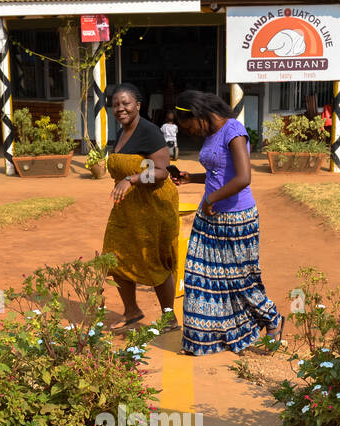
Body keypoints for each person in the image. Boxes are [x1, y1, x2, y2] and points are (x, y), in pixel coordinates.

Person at [169, 90, 283, 355]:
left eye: (189, 126)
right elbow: (217, 172)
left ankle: (273, 319)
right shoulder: (210, 134)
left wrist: (212, 200)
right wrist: (190, 179)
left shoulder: (234, 131)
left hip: (236, 219)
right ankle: (204, 339)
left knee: (240, 279)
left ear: (198, 114)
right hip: (209, 217)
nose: (191, 132)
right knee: (200, 278)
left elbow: (243, 177)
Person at [101, 84, 180, 327]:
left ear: (138, 105)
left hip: (152, 206)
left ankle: (169, 318)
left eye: (125, 103)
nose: (120, 108)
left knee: (153, 260)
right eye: (116, 104)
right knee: (115, 256)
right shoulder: (123, 130)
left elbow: (162, 172)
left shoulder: (149, 131)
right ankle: (132, 310)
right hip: (127, 207)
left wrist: (131, 179)